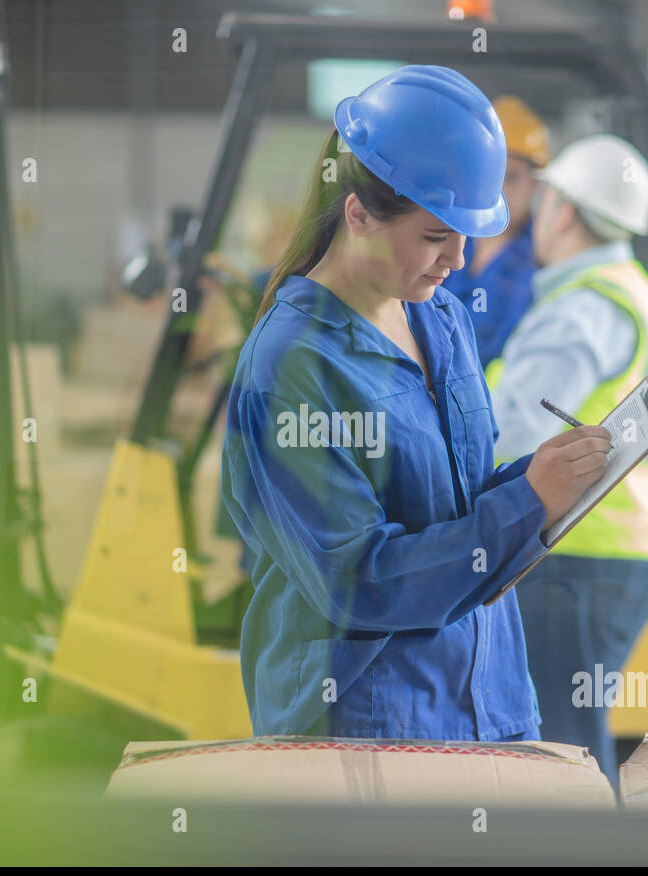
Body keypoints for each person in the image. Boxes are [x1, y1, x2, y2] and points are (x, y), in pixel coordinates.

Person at [220, 65, 613, 742]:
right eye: (436, 237)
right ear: (359, 215)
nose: (458, 260)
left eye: (469, 235)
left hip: (486, 700)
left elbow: (452, 508)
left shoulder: (442, 320)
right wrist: (525, 506)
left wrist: (544, 484)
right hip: (372, 721)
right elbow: (357, 582)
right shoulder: (293, 367)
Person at [486, 134, 648, 787]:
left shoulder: (581, 307)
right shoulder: (628, 288)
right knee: (570, 734)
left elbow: (516, 428)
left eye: (542, 200)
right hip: (618, 552)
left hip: (580, 553)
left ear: (564, 211)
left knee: (560, 747)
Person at [442, 95, 550, 369]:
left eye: (510, 176)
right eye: (488, 174)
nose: (497, 191)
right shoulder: (442, 237)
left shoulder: (545, 259)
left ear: (535, 183)